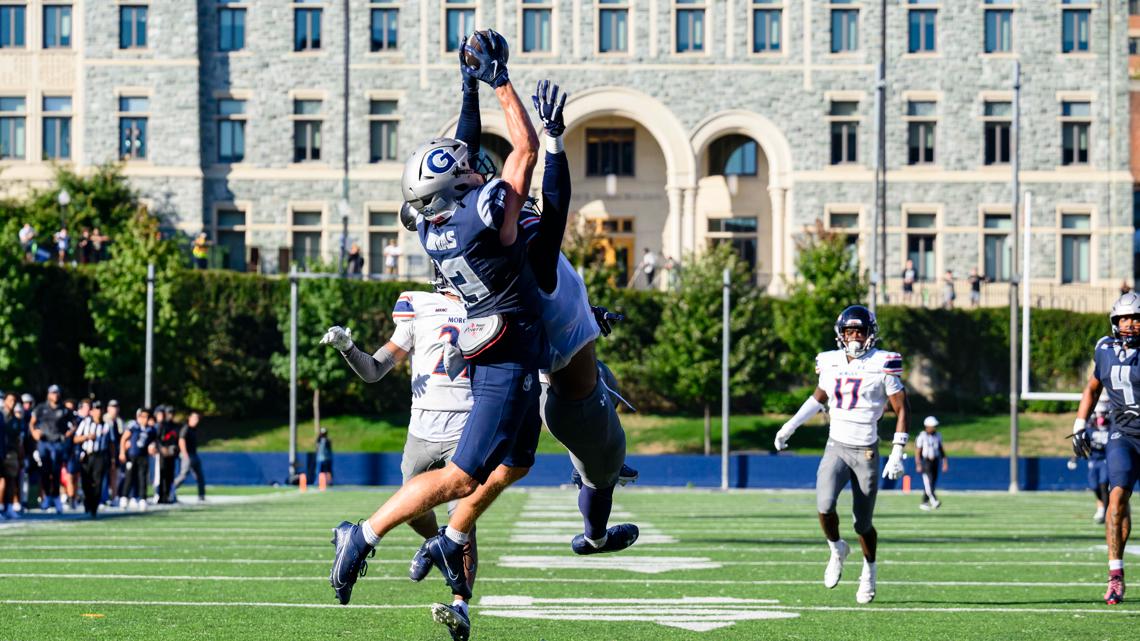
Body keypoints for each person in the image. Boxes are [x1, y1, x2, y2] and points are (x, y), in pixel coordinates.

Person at [327, 29, 542, 620]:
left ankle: (448, 543)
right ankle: (364, 534)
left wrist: (465, 83)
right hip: (502, 352)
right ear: (453, 189)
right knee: (457, 480)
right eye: (466, 172)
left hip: (508, 345)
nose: (475, 170)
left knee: (517, 462)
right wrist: (499, 81)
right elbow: (522, 150)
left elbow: (465, 149)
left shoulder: (435, 225)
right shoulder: (480, 217)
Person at [321, 277, 478, 631]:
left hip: (465, 427)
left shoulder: (487, 303)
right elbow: (375, 370)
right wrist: (349, 348)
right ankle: (435, 545)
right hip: (421, 432)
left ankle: (460, 605)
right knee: (414, 511)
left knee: (464, 521)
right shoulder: (419, 305)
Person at [774, 305, 909, 604]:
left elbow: (901, 407)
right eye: (850, 331)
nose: (855, 336)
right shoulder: (829, 361)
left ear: (870, 333)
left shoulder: (883, 362)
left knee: (862, 523)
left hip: (866, 452)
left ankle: (869, 571)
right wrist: (791, 425)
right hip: (836, 446)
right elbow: (819, 396)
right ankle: (837, 548)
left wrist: (898, 450)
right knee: (824, 506)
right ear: (841, 333)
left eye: (860, 331)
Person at [1071, 291, 1140, 604]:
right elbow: (1092, 387)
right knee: (1116, 497)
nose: (1130, 324)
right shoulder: (1104, 348)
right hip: (1123, 434)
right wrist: (1079, 424)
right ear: (1115, 321)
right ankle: (1116, 576)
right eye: (1125, 318)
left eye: (1136, 318)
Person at [29, 385, 75, 513]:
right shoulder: (41, 408)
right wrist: (34, 433)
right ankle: (47, 497)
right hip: (44, 443)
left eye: (57, 393)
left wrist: (67, 435)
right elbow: (32, 423)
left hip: (57, 443)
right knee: (44, 471)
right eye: (53, 393)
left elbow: (74, 424)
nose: (55, 395)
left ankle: (56, 498)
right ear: (48, 394)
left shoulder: (64, 410)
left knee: (56, 472)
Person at [74, 401, 112, 518]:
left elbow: (111, 443)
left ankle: (94, 507)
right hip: (87, 455)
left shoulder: (106, 425)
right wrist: (86, 437)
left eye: (100, 409)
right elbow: (75, 439)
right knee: (86, 481)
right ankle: (88, 503)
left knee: (98, 482)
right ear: (91, 411)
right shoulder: (85, 423)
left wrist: (113, 458)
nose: (98, 412)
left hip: (100, 456)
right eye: (96, 409)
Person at [1080, 398, 1112, 524]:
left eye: (1103, 413)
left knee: (1104, 484)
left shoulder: (1112, 427)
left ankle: (1104, 510)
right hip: (1094, 460)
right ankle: (1105, 505)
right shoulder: (1090, 428)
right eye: (1099, 413)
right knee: (1094, 485)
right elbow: (1082, 444)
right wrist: (1074, 458)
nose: (1101, 416)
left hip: (1106, 459)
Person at [119, 407, 154, 510]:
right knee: (129, 477)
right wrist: (122, 452)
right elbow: (124, 438)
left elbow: (153, 441)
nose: (145, 419)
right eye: (143, 416)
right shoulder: (133, 426)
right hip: (132, 455)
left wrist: (152, 446)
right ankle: (124, 497)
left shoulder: (150, 429)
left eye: (147, 417)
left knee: (143, 478)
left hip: (143, 456)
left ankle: (142, 498)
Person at [915, 416, 949, 511]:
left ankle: (924, 502)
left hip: (935, 461)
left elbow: (941, 449)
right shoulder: (922, 436)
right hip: (926, 461)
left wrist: (945, 462)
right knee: (928, 482)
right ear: (927, 426)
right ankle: (934, 501)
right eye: (933, 426)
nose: (934, 428)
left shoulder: (938, 435)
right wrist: (918, 464)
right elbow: (918, 451)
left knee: (932, 483)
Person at [174, 410, 206, 501]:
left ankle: (201, 496)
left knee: (200, 476)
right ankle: (170, 490)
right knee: (183, 476)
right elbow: (181, 441)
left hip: (194, 455)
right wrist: (185, 454)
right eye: (194, 418)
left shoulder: (194, 429)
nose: (196, 420)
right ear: (190, 418)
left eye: (197, 419)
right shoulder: (186, 428)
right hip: (187, 455)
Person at [1, 393, 24, 519]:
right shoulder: (1, 416)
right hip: (1, 452)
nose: (13, 403)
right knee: (1, 482)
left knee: (11, 481)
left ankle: (9, 507)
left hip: (12, 453)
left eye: (14, 400)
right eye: (10, 400)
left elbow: (18, 440)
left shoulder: (16, 420)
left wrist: (20, 456)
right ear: (4, 401)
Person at [155, 406, 180, 503]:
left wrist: (175, 449)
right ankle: (161, 496)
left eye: (172, 413)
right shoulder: (162, 425)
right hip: (163, 454)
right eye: (169, 413)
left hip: (172, 455)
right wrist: (162, 449)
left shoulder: (175, 426)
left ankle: (169, 495)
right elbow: (157, 439)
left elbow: (177, 439)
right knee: (162, 475)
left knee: (170, 475)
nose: (171, 415)